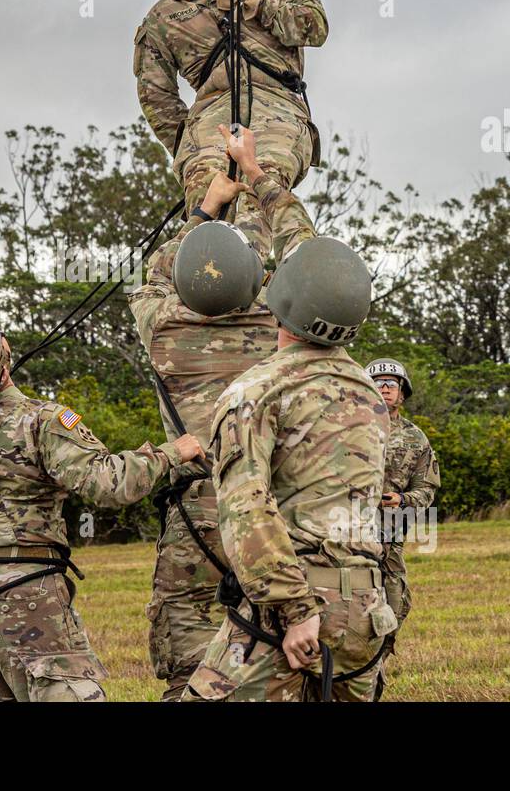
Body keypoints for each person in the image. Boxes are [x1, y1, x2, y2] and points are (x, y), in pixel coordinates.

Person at [0, 312, 205, 702]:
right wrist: (170, 454)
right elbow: (108, 484)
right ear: (3, 362)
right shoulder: (40, 422)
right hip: (28, 603)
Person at [127, 125, 317, 700]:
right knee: (290, 651)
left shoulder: (161, 326)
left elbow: (161, 271)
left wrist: (208, 206)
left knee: (187, 662)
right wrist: (257, 177)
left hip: (197, 515)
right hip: (269, 511)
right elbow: (306, 259)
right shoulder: (275, 326)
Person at [183, 236, 398, 702]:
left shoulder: (255, 391)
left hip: (299, 602)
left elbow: (247, 510)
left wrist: (296, 610)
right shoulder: (367, 392)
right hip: (366, 608)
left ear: (284, 298)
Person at [134, 0, 328, 220]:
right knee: (206, 187)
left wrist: (250, 0)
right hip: (212, 113)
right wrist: (190, 144)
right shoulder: (160, 21)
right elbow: (156, 97)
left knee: (263, 184)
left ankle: (255, 260)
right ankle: (205, 262)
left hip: (279, 105)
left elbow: (313, 29)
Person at [366, 359, 440, 633]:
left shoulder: (416, 438)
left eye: (390, 384)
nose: (384, 388)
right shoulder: (344, 429)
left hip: (390, 533)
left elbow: (427, 489)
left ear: (402, 392)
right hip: (347, 530)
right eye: (377, 383)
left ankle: (377, 668)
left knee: (395, 605)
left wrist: (403, 500)